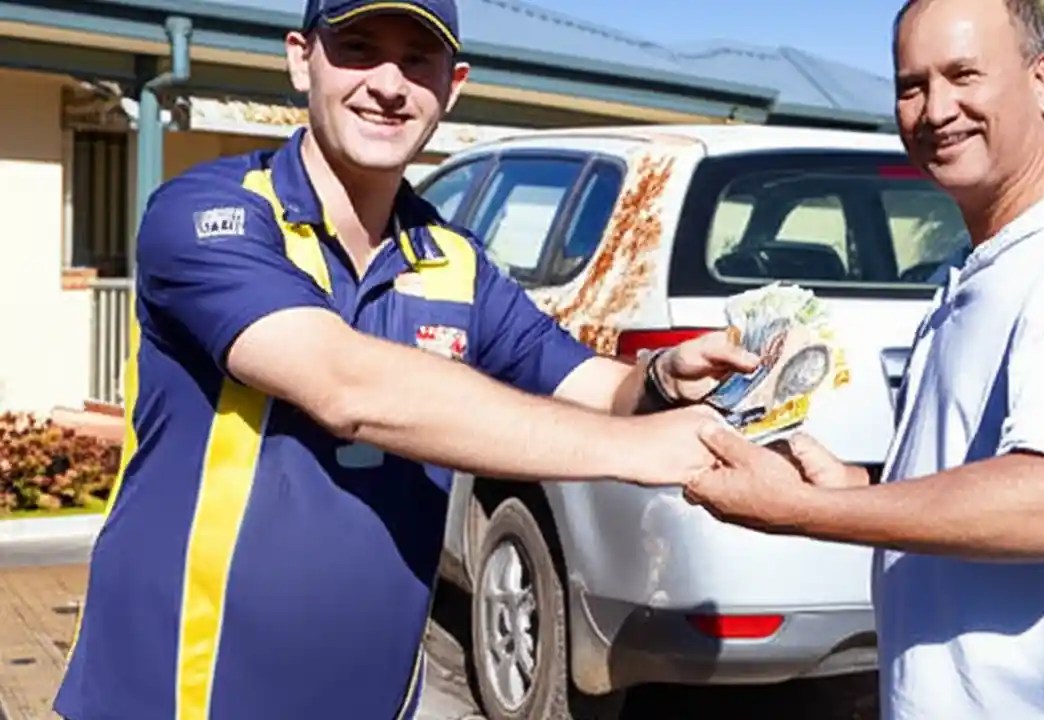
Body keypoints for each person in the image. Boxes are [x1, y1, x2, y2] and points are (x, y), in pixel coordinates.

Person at [53, 2, 756, 718]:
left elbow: (592, 386)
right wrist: (635, 450)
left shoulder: (453, 261)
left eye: (417, 59)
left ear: (452, 85)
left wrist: (665, 377)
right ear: (302, 58)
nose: (389, 84)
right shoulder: (208, 214)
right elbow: (343, 386)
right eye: (358, 48)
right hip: (177, 696)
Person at [682, 0, 1044, 718]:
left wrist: (807, 512)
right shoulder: (996, 258)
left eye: (964, 74)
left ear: (1041, 79)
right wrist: (852, 485)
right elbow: (991, 467)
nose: (936, 109)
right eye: (912, 85)